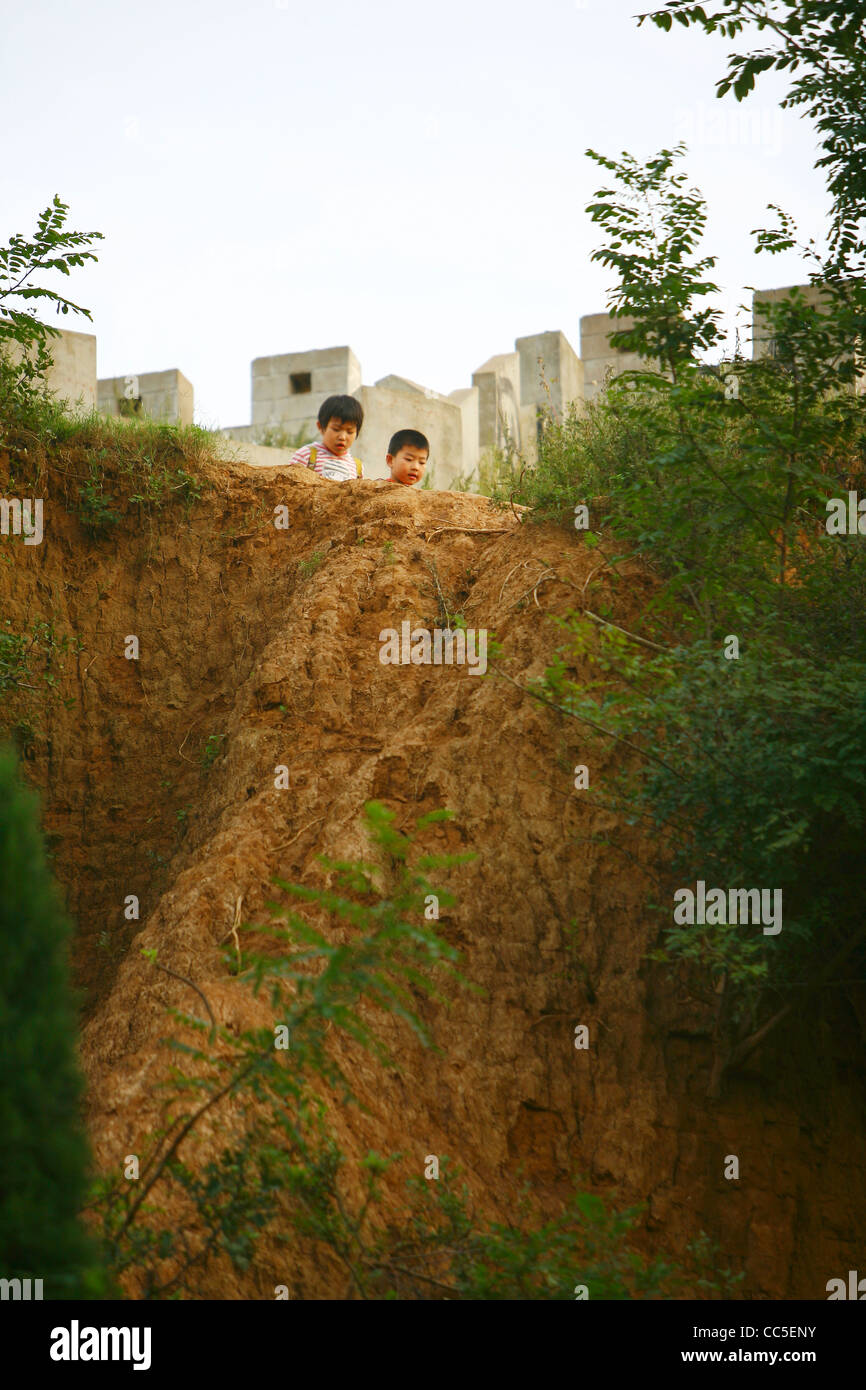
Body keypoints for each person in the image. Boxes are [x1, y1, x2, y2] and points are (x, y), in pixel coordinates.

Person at [289, 395, 365, 481]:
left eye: (350, 432)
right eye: (336, 429)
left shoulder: (357, 467)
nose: (342, 437)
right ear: (321, 427)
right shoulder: (305, 456)